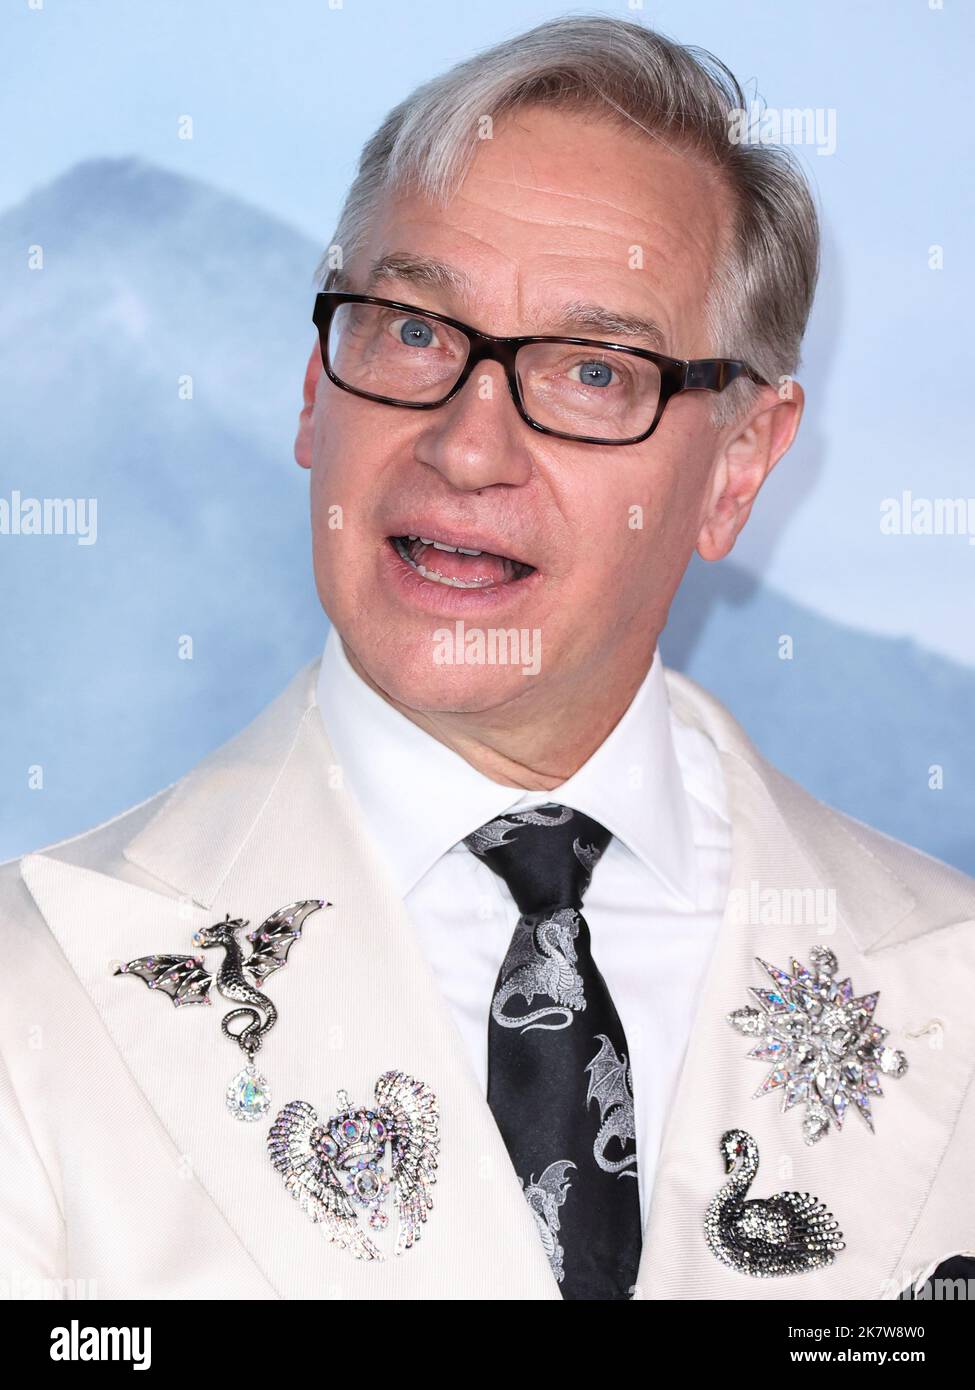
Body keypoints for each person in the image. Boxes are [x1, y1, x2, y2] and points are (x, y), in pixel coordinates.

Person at [2, 15, 973, 1302]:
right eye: (410, 331)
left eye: (588, 369)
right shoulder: (33, 996)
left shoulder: (950, 980)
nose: (468, 445)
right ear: (313, 389)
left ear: (738, 465)